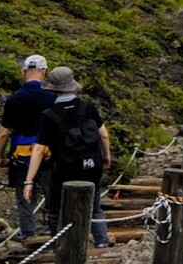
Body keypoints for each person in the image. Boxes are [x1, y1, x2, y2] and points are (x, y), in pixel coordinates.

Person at [23, 66, 112, 248]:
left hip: (64, 170)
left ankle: (61, 246)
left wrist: (29, 180)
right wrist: (106, 156)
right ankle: (102, 241)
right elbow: (103, 134)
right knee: (95, 207)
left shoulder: (49, 115)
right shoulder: (88, 107)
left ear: (54, 89)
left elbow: (39, 149)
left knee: (55, 210)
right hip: (91, 166)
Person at [0, 54, 54, 239]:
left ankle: (29, 236)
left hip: (20, 156)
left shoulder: (13, 99)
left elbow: (4, 133)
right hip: (47, 155)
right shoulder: (51, 98)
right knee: (52, 197)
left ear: (24, 72)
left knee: (24, 198)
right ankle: (56, 234)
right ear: (44, 72)